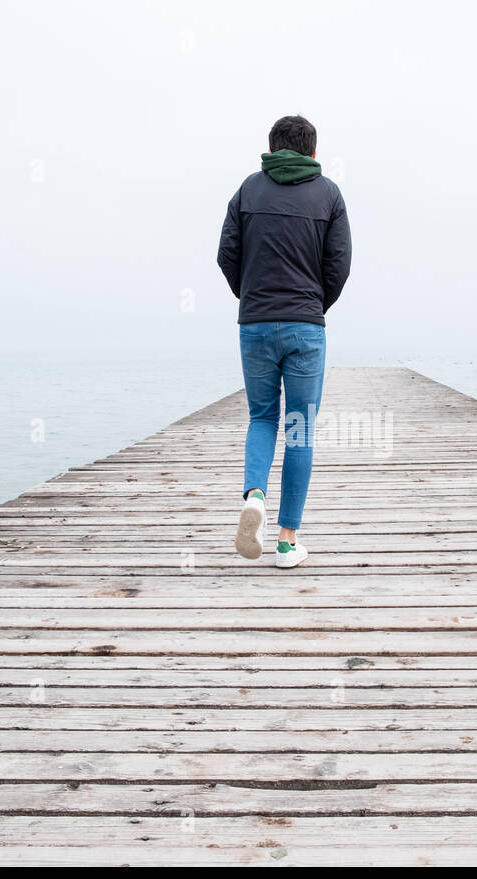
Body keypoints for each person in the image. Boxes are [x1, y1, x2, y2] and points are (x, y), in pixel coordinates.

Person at [217, 115, 351, 568]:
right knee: (300, 430)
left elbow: (226, 254)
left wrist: (252, 297)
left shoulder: (248, 189)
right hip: (305, 326)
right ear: (313, 153)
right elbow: (339, 265)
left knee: (261, 418)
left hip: (254, 323)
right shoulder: (329, 193)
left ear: (272, 148)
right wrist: (314, 305)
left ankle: (254, 495)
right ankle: (287, 543)